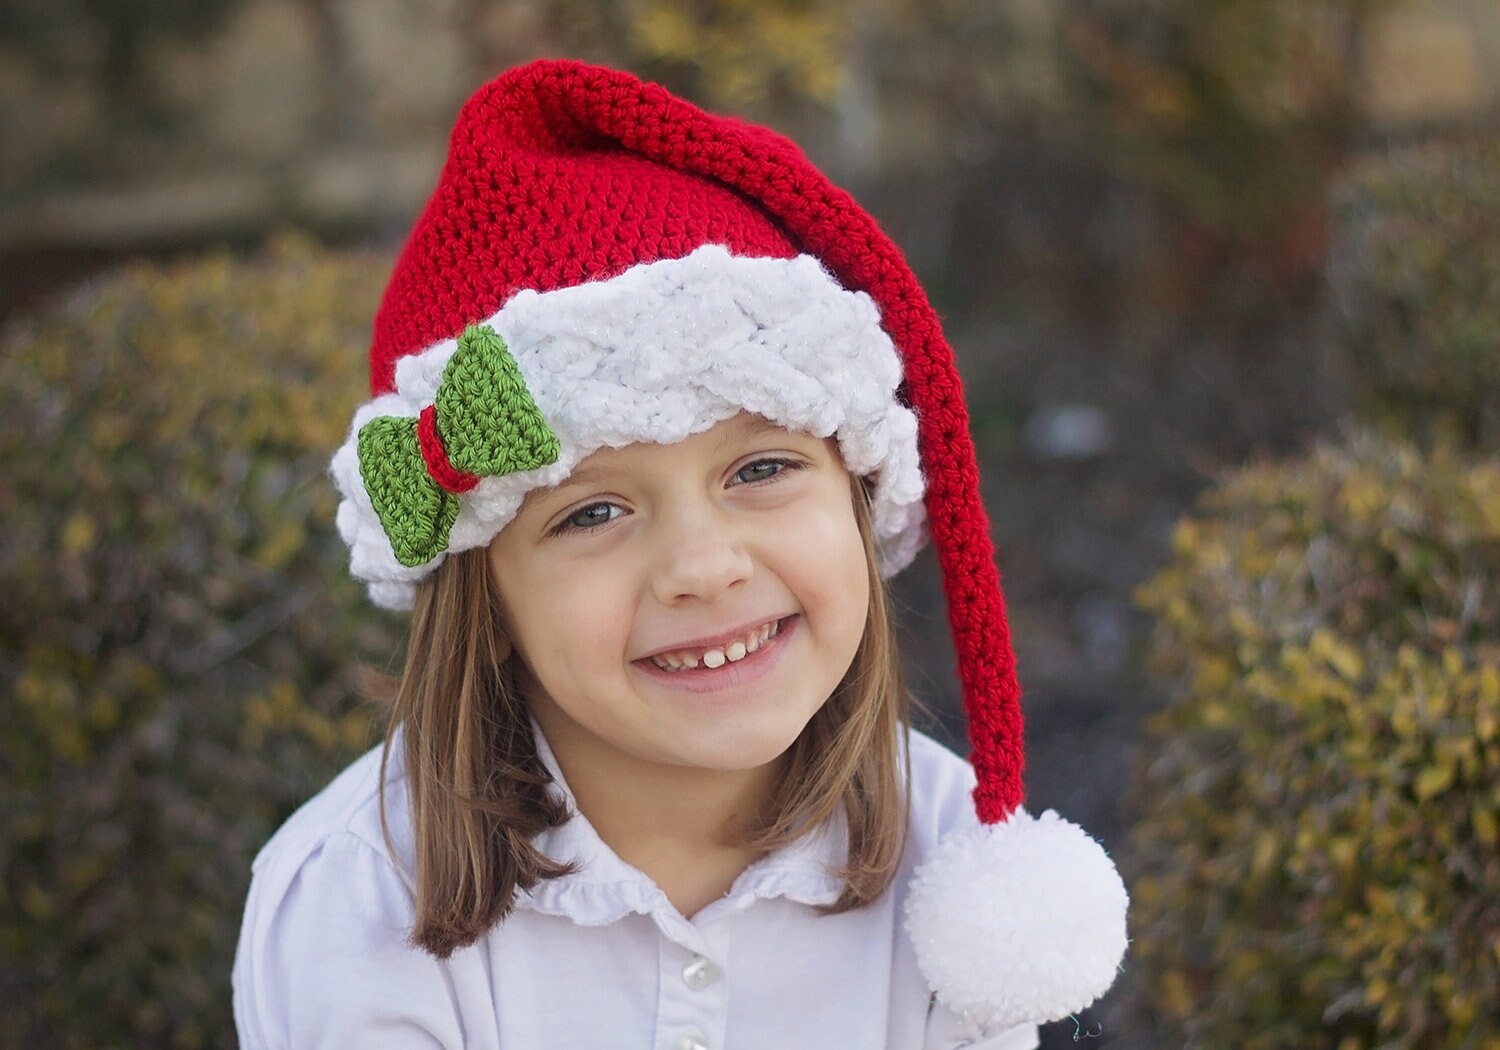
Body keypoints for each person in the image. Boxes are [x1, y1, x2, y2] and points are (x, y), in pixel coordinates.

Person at [232, 59, 1127, 1049]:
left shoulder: (954, 867)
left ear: (862, 496)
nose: (705, 566)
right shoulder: (354, 904)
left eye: (761, 469)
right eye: (592, 514)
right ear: (484, 607)